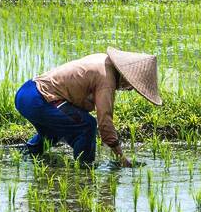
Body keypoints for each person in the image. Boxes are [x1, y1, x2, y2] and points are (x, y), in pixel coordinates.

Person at [14, 49, 162, 166]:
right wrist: (120, 156)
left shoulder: (103, 60)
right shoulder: (106, 79)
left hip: (26, 92)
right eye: (132, 85)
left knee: (59, 128)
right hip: (38, 99)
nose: (129, 89)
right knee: (87, 125)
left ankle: (26, 154)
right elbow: (105, 119)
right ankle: (84, 169)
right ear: (125, 76)